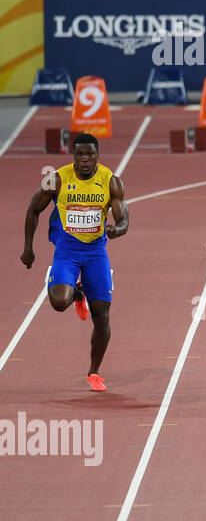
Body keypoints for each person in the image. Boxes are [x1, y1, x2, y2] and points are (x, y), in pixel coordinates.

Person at [20, 134, 128, 391]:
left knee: (102, 316)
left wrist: (119, 228)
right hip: (67, 251)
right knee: (58, 302)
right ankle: (77, 294)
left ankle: (94, 372)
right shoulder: (57, 179)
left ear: (97, 155)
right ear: (73, 156)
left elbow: (123, 215)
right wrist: (28, 248)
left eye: (90, 154)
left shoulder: (110, 181)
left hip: (95, 252)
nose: (85, 160)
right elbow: (34, 209)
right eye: (80, 155)